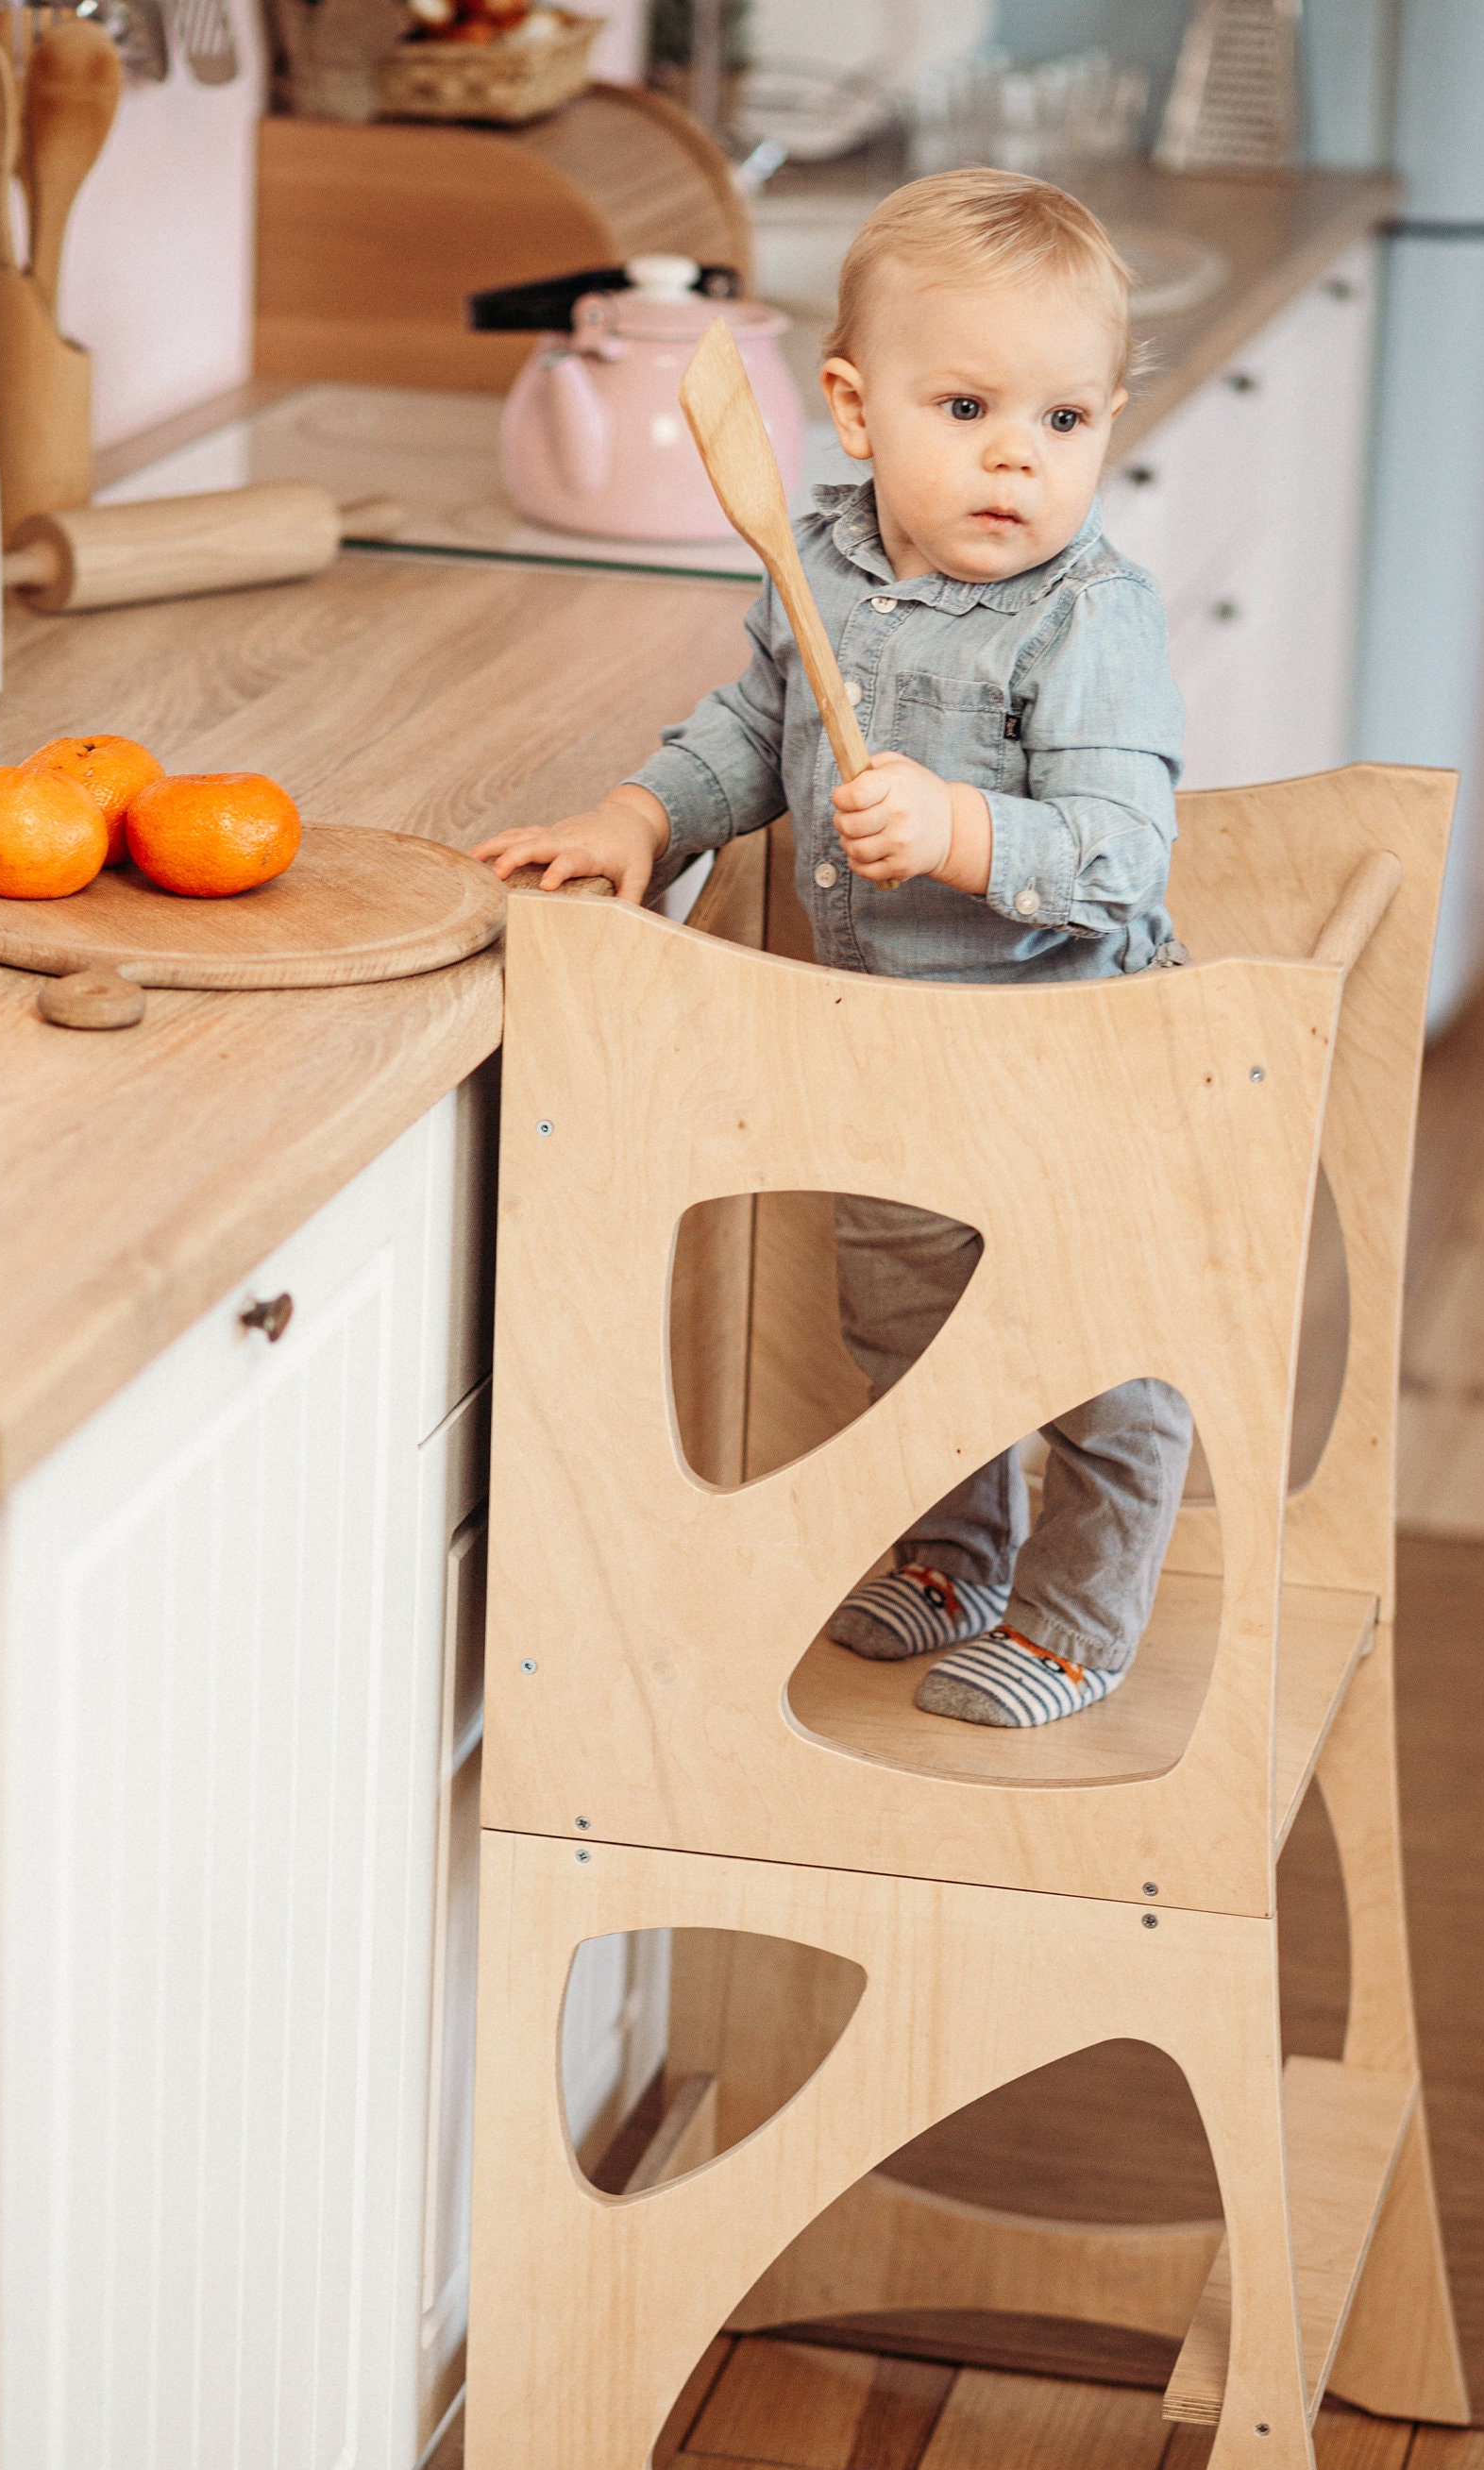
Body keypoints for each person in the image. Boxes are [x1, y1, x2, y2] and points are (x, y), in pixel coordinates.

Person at [475, 169, 1191, 1732]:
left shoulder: (1092, 620)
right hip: (885, 1048)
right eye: (968, 408)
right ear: (855, 413)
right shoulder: (822, 566)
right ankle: (957, 1558)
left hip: (1071, 1061)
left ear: (1108, 425)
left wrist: (958, 831)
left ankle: (1081, 1620)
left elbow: (1121, 857)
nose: (1018, 454)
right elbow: (754, 730)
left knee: (1092, 1354)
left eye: (1065, 420)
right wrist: (640, 818)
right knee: (909, 1330)